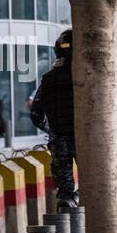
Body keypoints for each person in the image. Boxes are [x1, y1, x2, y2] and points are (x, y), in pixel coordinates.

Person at [29, 30, 78, 208]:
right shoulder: (85, 78)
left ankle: (68, 229)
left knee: (65, 194)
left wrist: (51, 129)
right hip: (84, 141)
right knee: (93, 184)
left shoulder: (48, 80)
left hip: (59, 141)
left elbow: (35, 114)